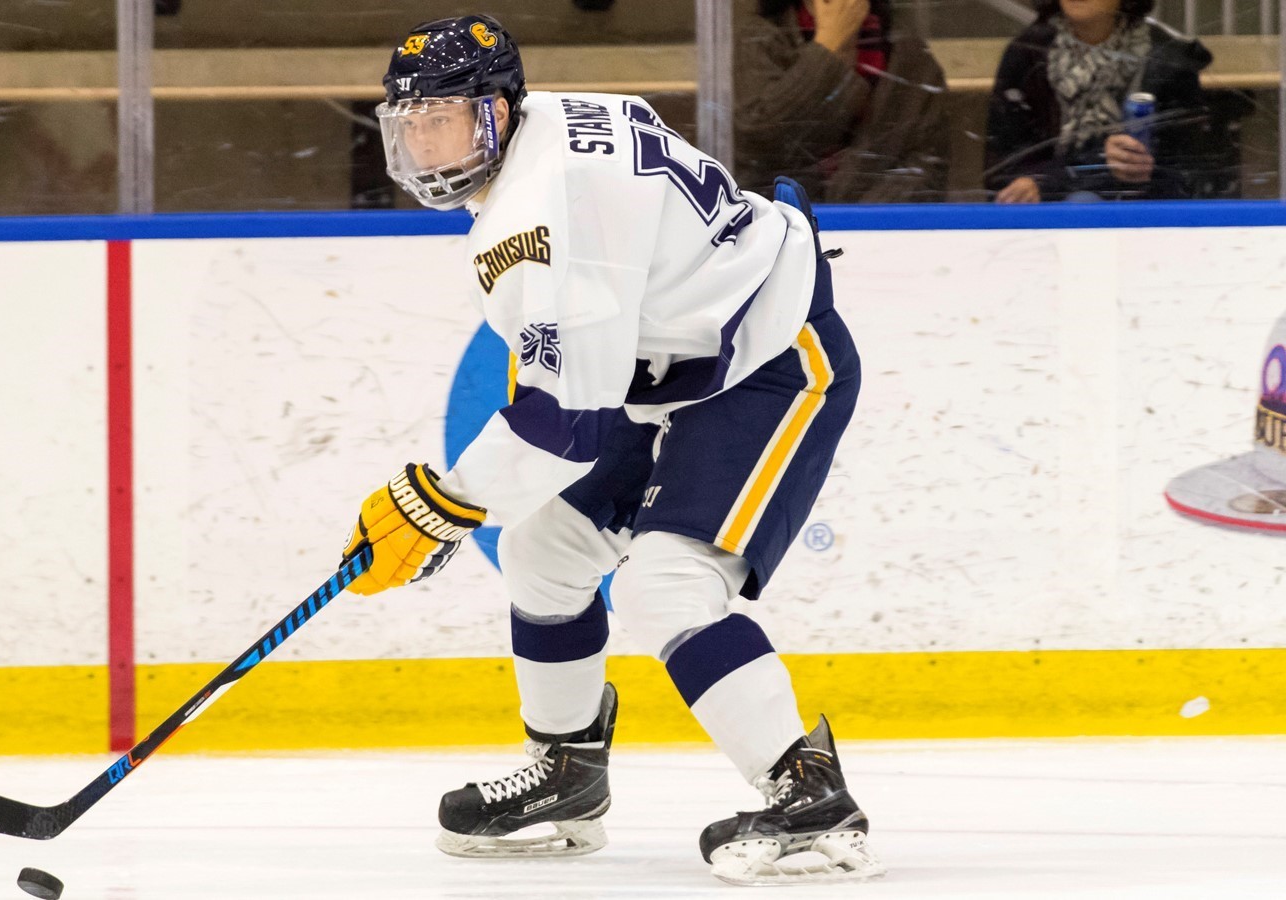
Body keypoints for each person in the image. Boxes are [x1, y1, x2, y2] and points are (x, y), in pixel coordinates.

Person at [336, 14, 883, 886]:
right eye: (413, 124)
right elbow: (580, 384)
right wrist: (456, 505)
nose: (428, 145)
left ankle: (806, 789)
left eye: (446, 119)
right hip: (677, 362)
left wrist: (439, 506)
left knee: (663, 585)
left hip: (772, 357)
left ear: (498, 112)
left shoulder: (539, 220)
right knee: (542, 551)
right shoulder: (551, 120)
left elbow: (567, 426)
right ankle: (568, 772)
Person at [985, 0, 1224, 202]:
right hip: (1048, 220)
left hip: (1143, 220)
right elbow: (1000, 169)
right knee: (1081, 203)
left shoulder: (1168, 61)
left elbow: (1191, 173)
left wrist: (1142, 166)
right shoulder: (1027, 54)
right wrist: (1080, 171)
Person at [732, 0, 949, 203]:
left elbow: (926, 172)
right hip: (783, 223)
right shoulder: (758, 39)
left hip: (875, 228)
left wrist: (857, 221)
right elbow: (759, 146)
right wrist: (830, 44)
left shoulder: (908, 56)